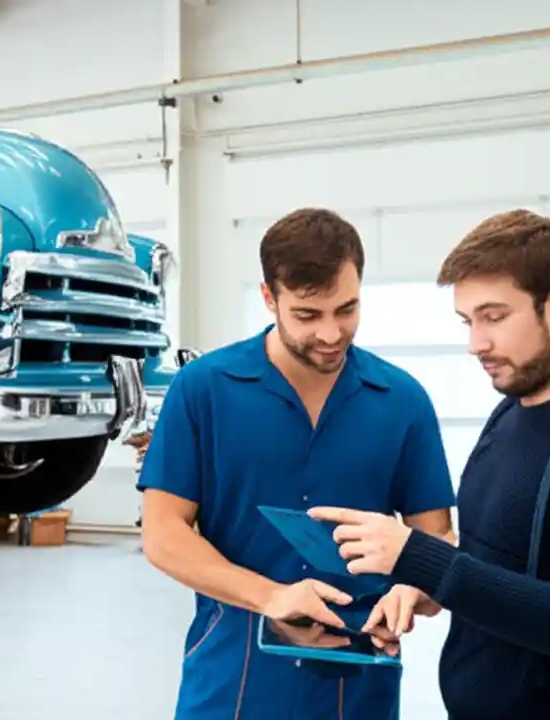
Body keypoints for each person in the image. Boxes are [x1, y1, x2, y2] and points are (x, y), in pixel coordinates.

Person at [310, 209, 550, 719]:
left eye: (494, 316)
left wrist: (428, 560)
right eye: (468, 322)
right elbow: (506, 565)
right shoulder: (510, 414)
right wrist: (425, 588)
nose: (476, 344)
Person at [138, 207, 458, 720]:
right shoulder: (203, 390)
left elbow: (438, 540)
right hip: (229, 678)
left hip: (359, 686)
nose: (331, 333)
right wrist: (270, 597)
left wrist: (414, 590)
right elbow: (162, 533)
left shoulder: (403, 401)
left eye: (346, 309)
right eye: (308, 315)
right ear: (270, 298)